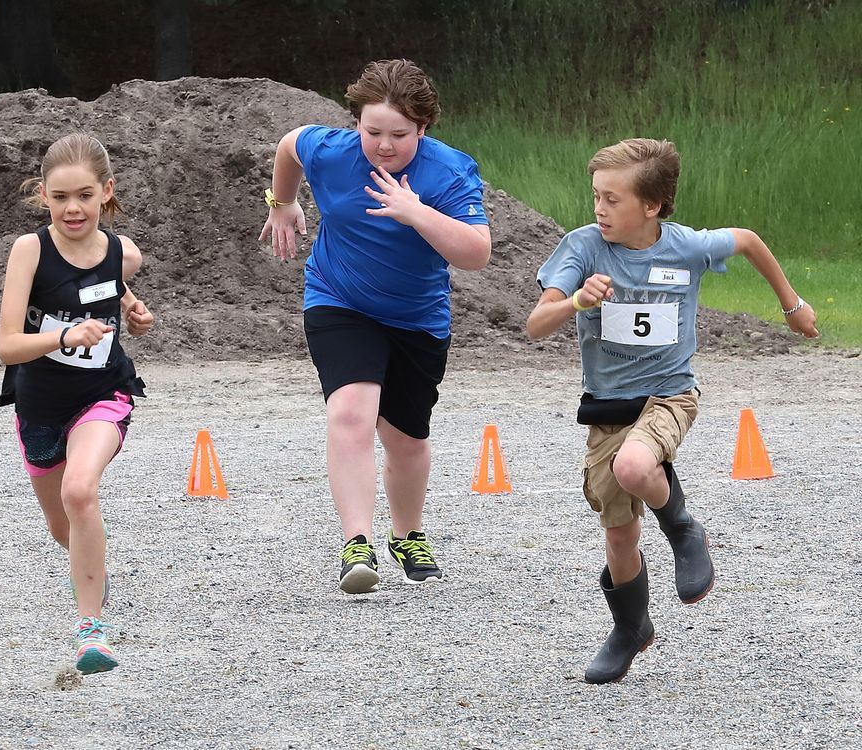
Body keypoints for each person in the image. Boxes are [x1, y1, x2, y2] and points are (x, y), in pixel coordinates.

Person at [526, 138, 818, 684]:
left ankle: (684, 529)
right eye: (596, 196)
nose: (599, 209)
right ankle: (631, 627)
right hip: (607, 407)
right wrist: (576, 302)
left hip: (669, 394)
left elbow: (750, 241)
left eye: (613, 199)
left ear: (652, 205)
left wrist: (792, 306)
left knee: (635, 468)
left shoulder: (686, 247)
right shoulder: (583, 249)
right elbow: (536, 325)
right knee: (618, 535)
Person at [258, 59, 492, 594]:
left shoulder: (449, 172)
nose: (384, 146)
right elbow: (290, 144)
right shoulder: (332, 151)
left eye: (400, 135)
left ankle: (407, 535)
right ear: (355, 124)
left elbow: (477, 253)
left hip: (416, 317)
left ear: (424, 129)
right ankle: (356, 544)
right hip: (339, 301)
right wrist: (284, 201)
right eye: (373, 132)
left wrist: (416, 212)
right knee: (350, 411)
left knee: (405, 441)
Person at [0, 133, 154, 674]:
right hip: (38, 406)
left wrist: (134, 311)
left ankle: (92, 632)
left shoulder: (122, 251)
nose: (72, 208)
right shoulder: (29, 251)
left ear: (106, 192)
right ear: (43, 196)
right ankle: (92, 568)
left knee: (80, 491)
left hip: (103, 395)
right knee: (63, 527)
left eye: (84, 196)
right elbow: (7, 346)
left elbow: (106, 284)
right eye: (60, 197)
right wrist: (64, 338)